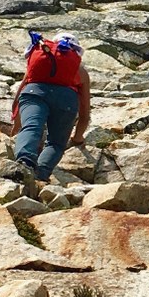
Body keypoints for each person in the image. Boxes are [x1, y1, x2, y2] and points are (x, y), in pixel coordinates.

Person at [11, 31, 91, 183]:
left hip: (34, 92)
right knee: (55, 143)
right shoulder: (80, 72)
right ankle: (41, 174)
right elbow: (84, 114)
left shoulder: (40, 63)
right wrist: (77, 138)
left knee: (32, 128)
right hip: (66, 101)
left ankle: (24, 162)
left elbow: (19, 95)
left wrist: (17, 122)